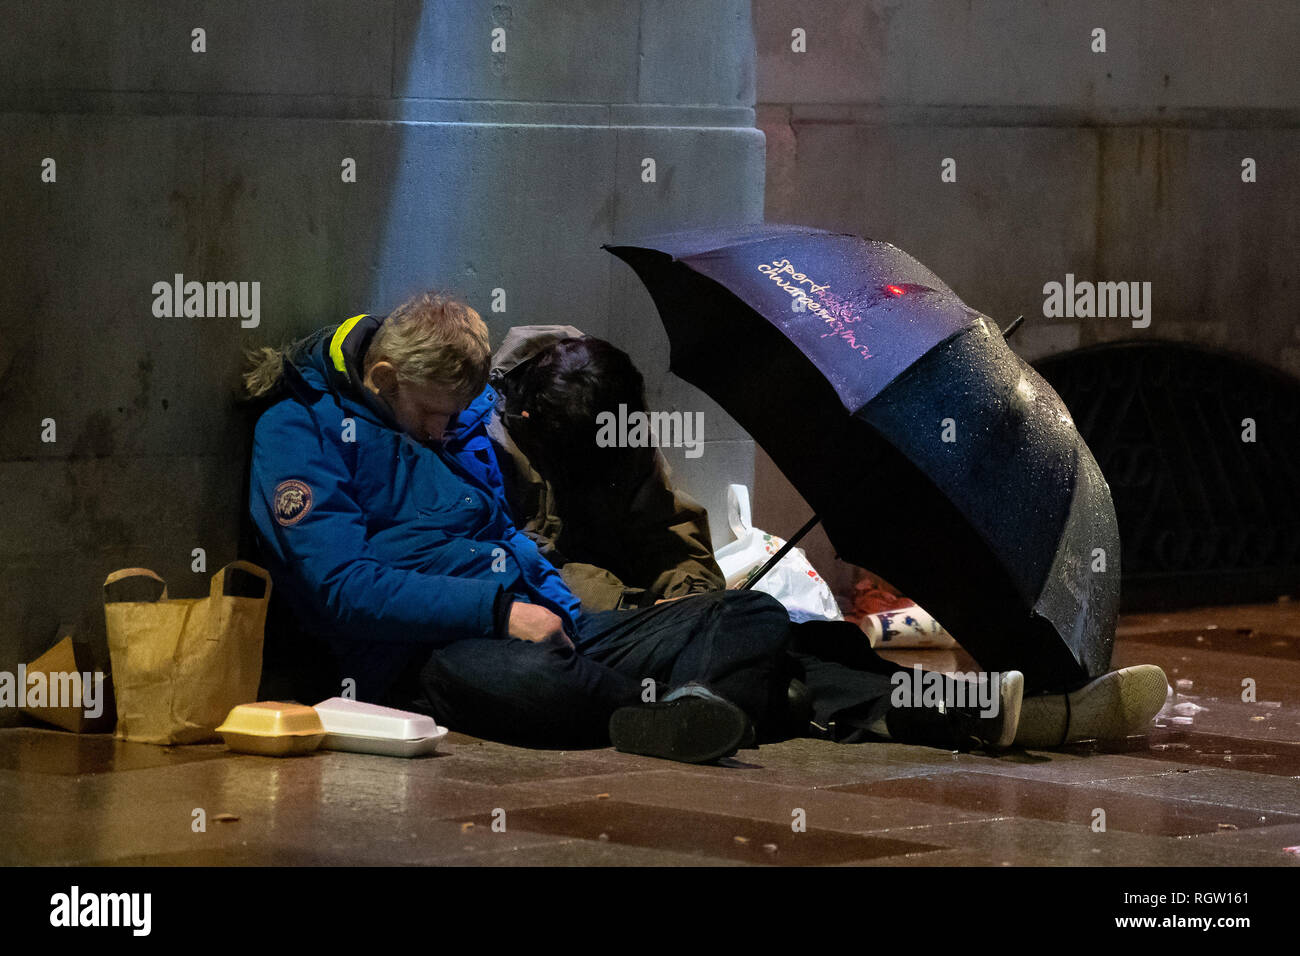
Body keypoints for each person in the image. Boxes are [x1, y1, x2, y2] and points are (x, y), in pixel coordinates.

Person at [243, 290, 1166, 762]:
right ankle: (958, 716)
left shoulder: (448, 416)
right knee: (584, 685)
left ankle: (708, 704)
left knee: (760, 620)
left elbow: (504, 532)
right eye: (438, 415)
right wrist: (495, 613)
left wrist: (552, 596)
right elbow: (338, 587)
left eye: (462, 414)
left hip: (548, 620)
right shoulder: (300, 431)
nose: (455, 433)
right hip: (432, 656)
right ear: (383, 381)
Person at [454, 326, 723, 611]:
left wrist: (692, 594)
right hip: (552, 605)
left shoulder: (612, 407)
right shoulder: (485, 443)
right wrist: (628, 604)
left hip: (619, 589)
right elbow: (516, 566)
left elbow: (664, 521)